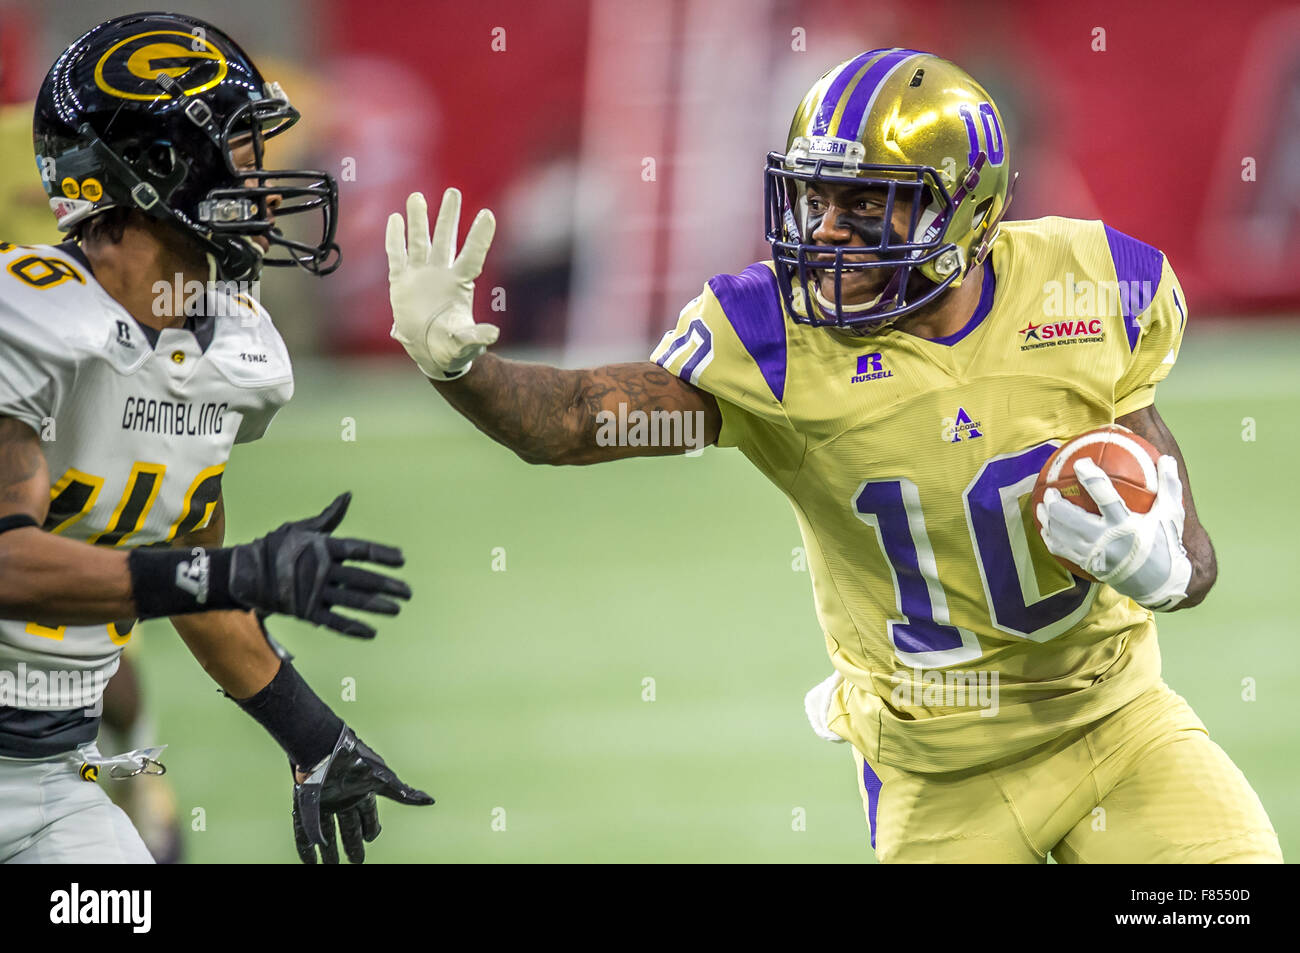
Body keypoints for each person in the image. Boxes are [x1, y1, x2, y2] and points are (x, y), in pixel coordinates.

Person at [385, 49, 1281, 863]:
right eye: (816, 198)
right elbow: (582, 424)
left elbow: (1187, 546)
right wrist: (464, 367)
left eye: (867, 203)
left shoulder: (1093, 283)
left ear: (963, 209)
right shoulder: (775, 342)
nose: (827, 231)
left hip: (1116, 724)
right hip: (943, 776)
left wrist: (1167, 568)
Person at [0, 12, 429, 865]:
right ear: (155, 169)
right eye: (242, 154)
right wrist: (234, 570)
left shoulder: (230, 347)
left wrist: (313, 733)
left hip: (51, 779)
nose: (266, 189)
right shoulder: (30, 313)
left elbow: (193, 572)